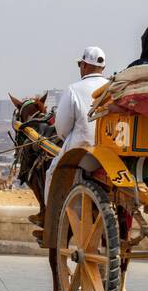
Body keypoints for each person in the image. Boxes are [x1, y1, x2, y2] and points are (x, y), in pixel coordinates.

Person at [44, 47, 109, 202]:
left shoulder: (73, 89)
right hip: (111, 155)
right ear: (103, 68)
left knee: (51, 173)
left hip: (83, 154)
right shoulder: (113, 87)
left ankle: (51, 220)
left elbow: (62, 129)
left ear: (84, 65)